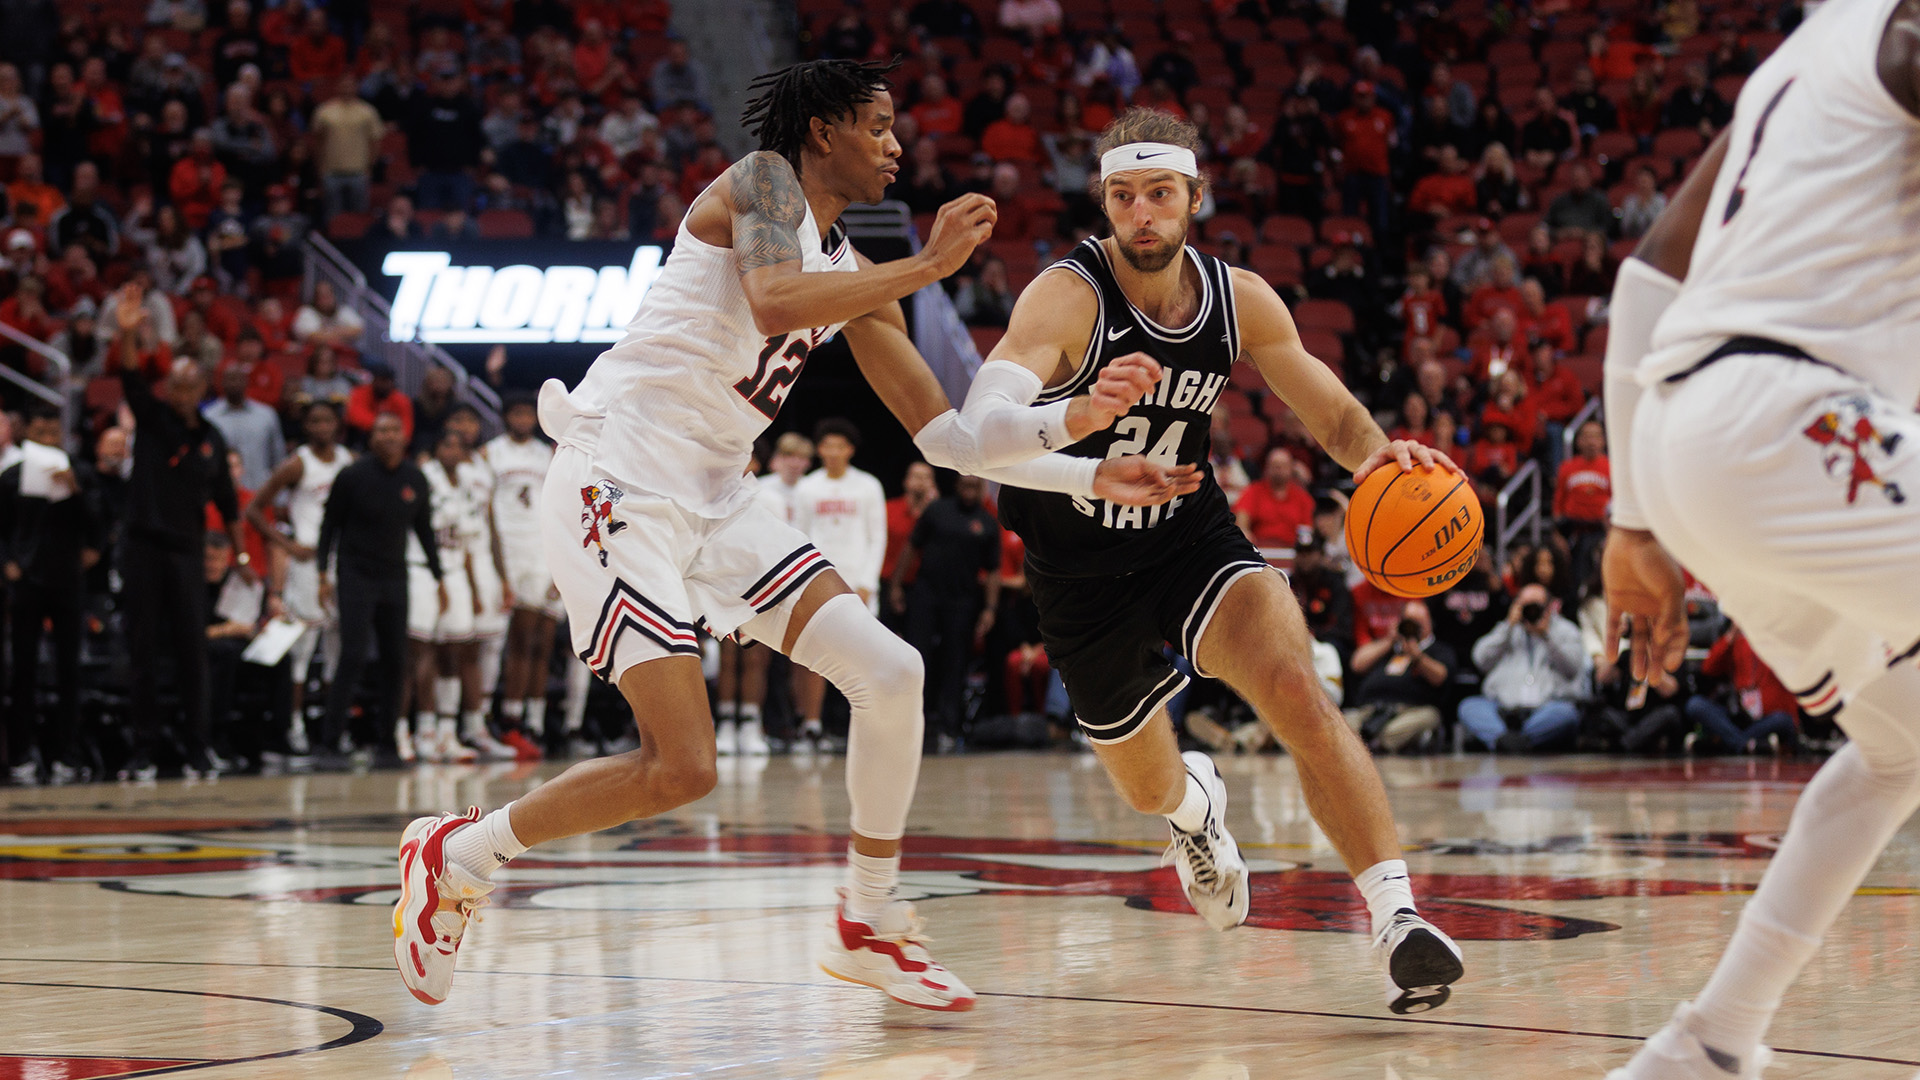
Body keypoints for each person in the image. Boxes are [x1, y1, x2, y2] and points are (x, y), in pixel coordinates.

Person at [394, 58, 1184, 1014]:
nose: (897, 145)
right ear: (823, 130)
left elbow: (953, 441)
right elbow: (772, 299)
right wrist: (931, 265)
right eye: (879, 125)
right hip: (619, 478)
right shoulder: (761, 179)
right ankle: (459, 852)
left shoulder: (853, 267)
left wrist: (1080, 451)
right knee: (680, 768)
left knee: (893, 674)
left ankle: (868, 918)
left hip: (719, 496)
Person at [986, 106, 1465, 1013]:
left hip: (1185, 533)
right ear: (1105, 201)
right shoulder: (1067, 295)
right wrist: (1073, 445)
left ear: (1194, 199)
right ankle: (1191, 813)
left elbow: (1329, 414)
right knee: (1146, 783)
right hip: (1074, 563)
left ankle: (1397, 915)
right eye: (1123, 195)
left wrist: (1377, 459)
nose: (1142, 214)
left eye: (1160, 194)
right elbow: (989, 428)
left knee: (1294, 688)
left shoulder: (1238, 297)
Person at [1602, 0, 1920, 1073]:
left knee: (1898, 751)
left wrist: (1633, 522)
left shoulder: (1812, 43)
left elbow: (1651, 267)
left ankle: (1712, 1043)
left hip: (1694, 444)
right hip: (1796, 422)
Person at [111, 291, 253, 778]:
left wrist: (241, 556)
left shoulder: (211, 439)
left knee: (194, 651)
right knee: (143, 651)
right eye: (174, 385)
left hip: (188, 551)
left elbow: (229, 503)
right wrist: (127, 331)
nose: (180, 393)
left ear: (201, 389)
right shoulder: (153, 421)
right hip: (145, 547)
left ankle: (199, 747)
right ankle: (144, 751)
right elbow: (130, 379)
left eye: (188, 387)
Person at [316, 412, 442, 765]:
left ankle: (387, 741)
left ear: (404, 436)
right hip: (355, 574)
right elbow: (330, 525)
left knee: (395, 658)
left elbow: (424, 530)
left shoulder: (414, 479)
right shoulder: (352, 476)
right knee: (353, 654)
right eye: (380, 430)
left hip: (394, 576)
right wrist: (322, 571)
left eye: (393, 430)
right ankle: (330, 741)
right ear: (371, 438)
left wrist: (438, 575)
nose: (387, 436)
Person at [0, 403, 98, 783]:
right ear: (28, 437)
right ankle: (22, 754)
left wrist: (74, 490)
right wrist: (6, 563)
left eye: (52, 435)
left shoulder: (80, 474)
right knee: (22, 672)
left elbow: (98, 526)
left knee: (69, 671)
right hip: (27, 583)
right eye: (39, 435)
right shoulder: (10, 479)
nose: (46, 442)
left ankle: (68, 755)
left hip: (67, 582)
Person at [247, 402, 351, 758]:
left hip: (340, 560)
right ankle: (293, 725)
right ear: (305, 426)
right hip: (307, 563)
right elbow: (254, 508)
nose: (321, 426)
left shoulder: (347, 461)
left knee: (337, 645)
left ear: (338, 424)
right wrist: (288, 544)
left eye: (327, 420)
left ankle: (331, 724)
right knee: (303, 648)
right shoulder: (298, 463)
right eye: (314, 420)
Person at [789, 419, 887, 753]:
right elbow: (798, 536)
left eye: (839, 445)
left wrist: (867, 582)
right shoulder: (807, 488)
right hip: (817, 582)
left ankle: (869, 726)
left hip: (857, 583)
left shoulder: (868, 486)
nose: (832, 451)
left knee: (863, 657)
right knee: (814, 656)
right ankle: (812, 726)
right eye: (827, 445)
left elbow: (878, 537)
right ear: (819, 450)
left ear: (850, 450)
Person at [888, 473, 1001, 753]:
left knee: (955, 661)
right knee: (917, 658)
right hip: (926, 595)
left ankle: (949, 727)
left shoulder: (987, 522)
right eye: (966, 485)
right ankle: (912, 723)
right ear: (957, 485)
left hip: (962, 601)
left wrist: (989, 608)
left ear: (982, 488)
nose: (970, 490)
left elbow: (994, 571)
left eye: (976, 486)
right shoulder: (937, 510)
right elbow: (911, 547)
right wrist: (896, 585)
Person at [483, 391, 562, 756]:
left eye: (528, 413)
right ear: (505, 416)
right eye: (516, 412)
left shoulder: (547, 454)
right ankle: (500, 718)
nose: (523, 419)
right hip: (505, 554)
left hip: (540, 552)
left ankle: (535, 719)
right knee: (508, 641)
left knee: (541, 642)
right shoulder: (490, 453)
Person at [1458, 582, 1590, 752]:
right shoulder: (1507, 629)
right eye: (1525, 605)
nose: (1530, 611)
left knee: (1566, 714)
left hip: (1545, 710)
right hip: (1502, 711)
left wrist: (1547, 636)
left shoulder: (1565, 630)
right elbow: (1480, 659)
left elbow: (1573, 668)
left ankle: (1513, 742)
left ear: (1549, 607)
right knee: (1469, 707)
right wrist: (1508, 626)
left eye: (1536, 606)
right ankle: (1505, 740)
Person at [1343, 600, 1454, 754]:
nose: (1413, 627)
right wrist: (1389, 640)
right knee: (1342, 724)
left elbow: (1440, 676)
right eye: (1409, 621)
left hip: (1411, 710)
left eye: (1418, 622)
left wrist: (1417, 656)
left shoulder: (1438, 649)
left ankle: (1374, 743)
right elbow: (1357, 664)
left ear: (1429, 622)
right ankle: (1363, 741)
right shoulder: (1389, 647)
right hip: (1371, 709)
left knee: (1405, 727)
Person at [202, 361, 284, 492]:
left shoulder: (267, 415)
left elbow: (278, 459)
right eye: (230, 379)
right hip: (220, 494)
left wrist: (280, 496)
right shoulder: (209, 417)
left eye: (239, 379)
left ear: (247, 382)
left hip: (259, 493)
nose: (234, 383)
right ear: (222, 383)